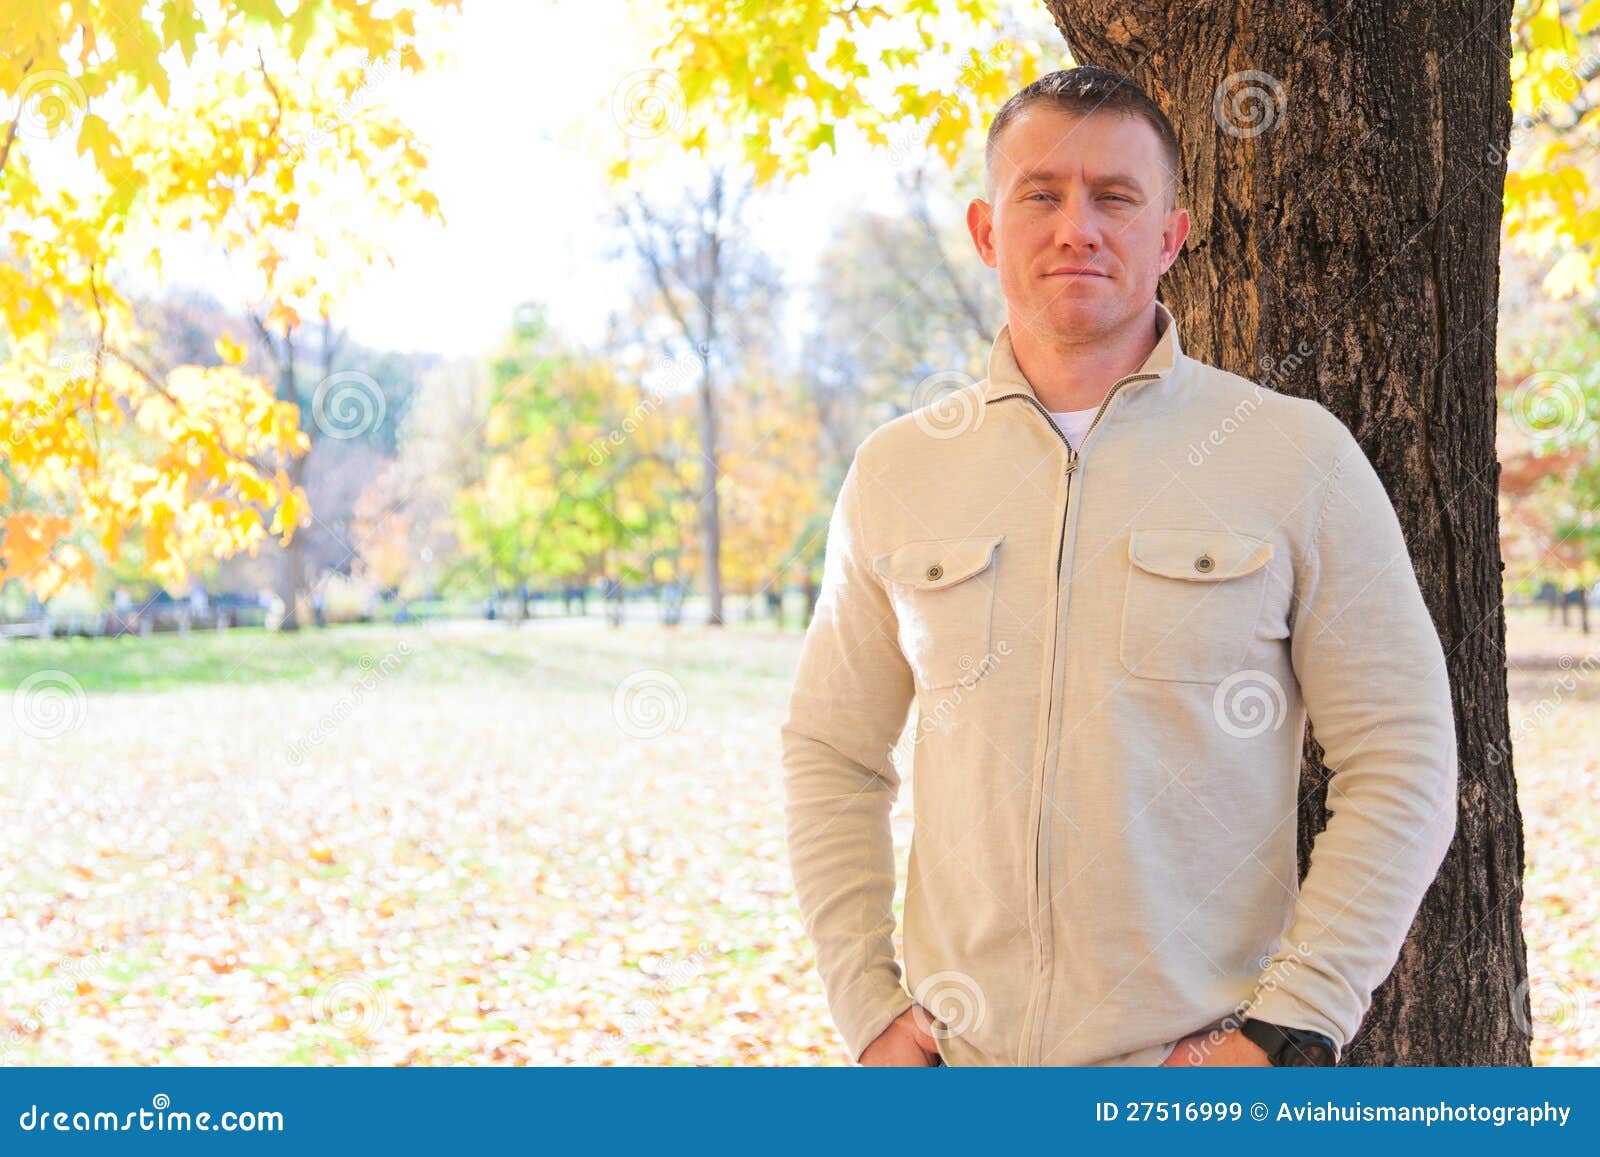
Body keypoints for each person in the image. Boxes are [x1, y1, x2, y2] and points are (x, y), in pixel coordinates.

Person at [780, 66, 1458, 1068]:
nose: (1076, 229)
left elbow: (1405, 756)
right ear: (985, 230)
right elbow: (831, 751)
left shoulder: (1294, 455)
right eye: (1040, 195)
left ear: (1170, 236)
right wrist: (867, 1007)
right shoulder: (899, 470)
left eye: (1115, 197)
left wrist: (1286, 1030)